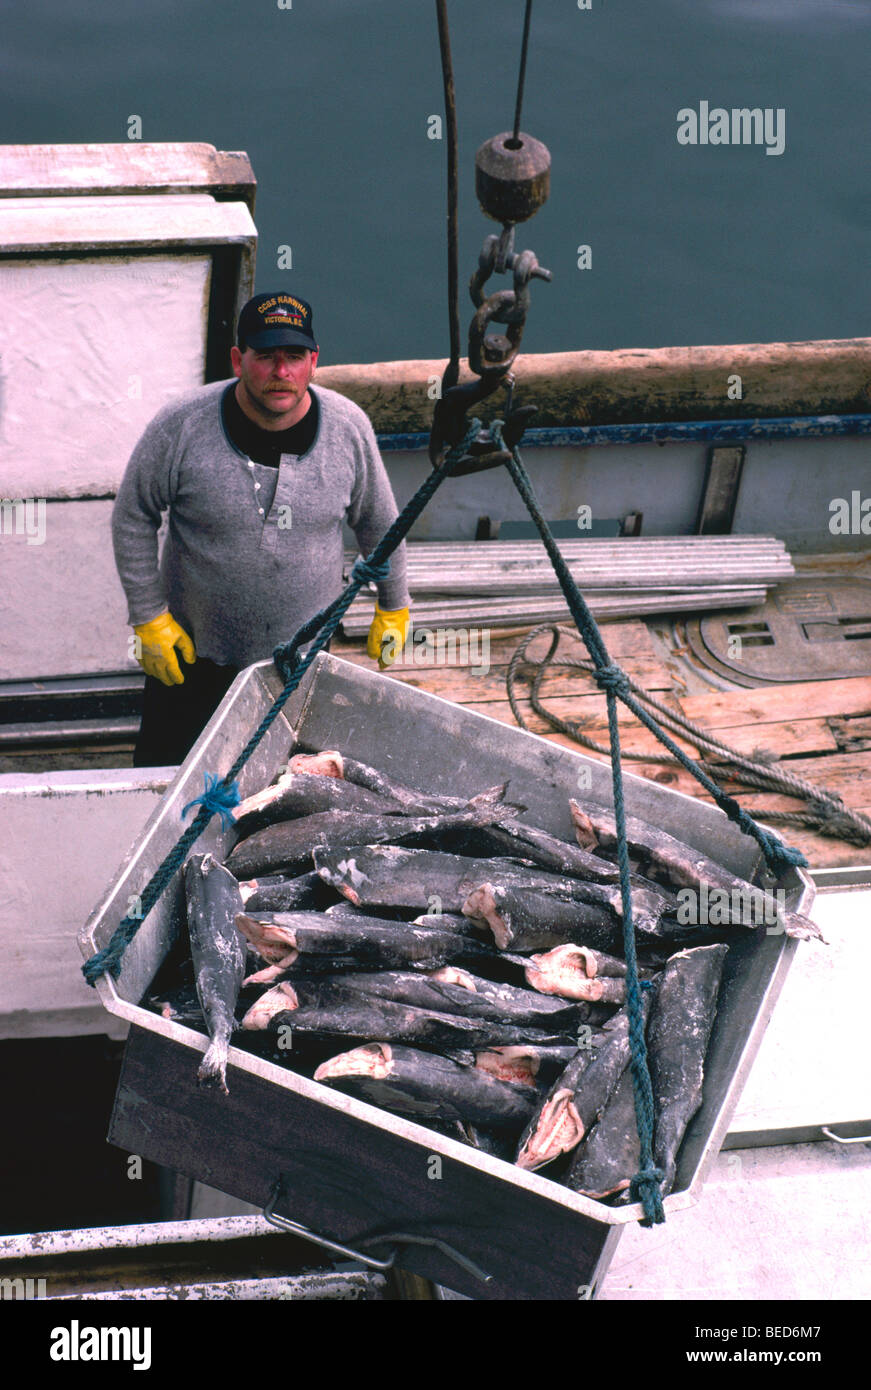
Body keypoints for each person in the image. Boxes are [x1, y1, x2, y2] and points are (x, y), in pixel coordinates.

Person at [112, 291, 410, 766]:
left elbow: (379, 524)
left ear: (314, 361)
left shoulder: (348, 428)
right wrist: (149, 616)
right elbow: (133, 516)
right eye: (265, 356)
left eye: (294, 356)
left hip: (301, 665)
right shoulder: (181, 426)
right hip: (192, 658)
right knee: (165, 778)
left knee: (289, 786)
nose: (280, 371)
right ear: (238, 359)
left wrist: (394, 606)